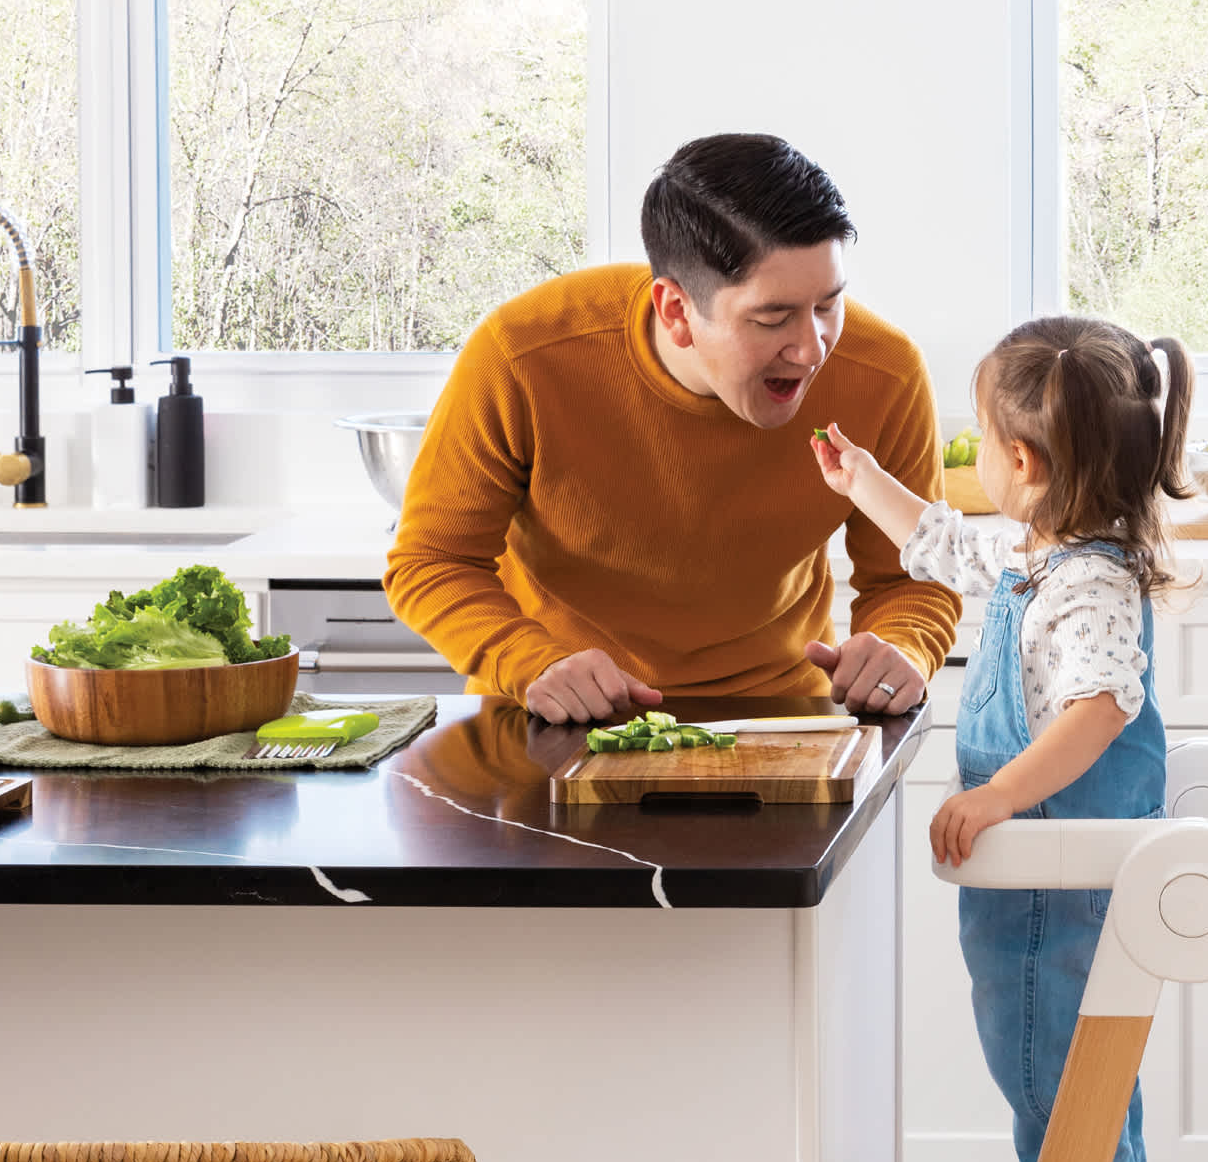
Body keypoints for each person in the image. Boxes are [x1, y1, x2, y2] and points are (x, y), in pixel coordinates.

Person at [813, 316, 1195, 1162]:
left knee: (1044, 1060)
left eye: (978, 438)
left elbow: (1099, 707)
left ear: (1019, 460)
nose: (974, 457)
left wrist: (994, 796)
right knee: (1087, 1047)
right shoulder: (1043, 557)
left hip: (1050, 875)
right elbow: (940, 544)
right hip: (1038, 868)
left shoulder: (1087, 587)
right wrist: (860, 480)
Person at [384, 134, 958, 721]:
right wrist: (531, 661)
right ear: (677, 311)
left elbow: (915, 576)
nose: (813, 349)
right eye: (773, 318)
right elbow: (431, 560)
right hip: (557, 715)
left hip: (779, 718)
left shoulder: (884, 372)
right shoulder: (521, 357)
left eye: (828, 305)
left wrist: (905, 646)